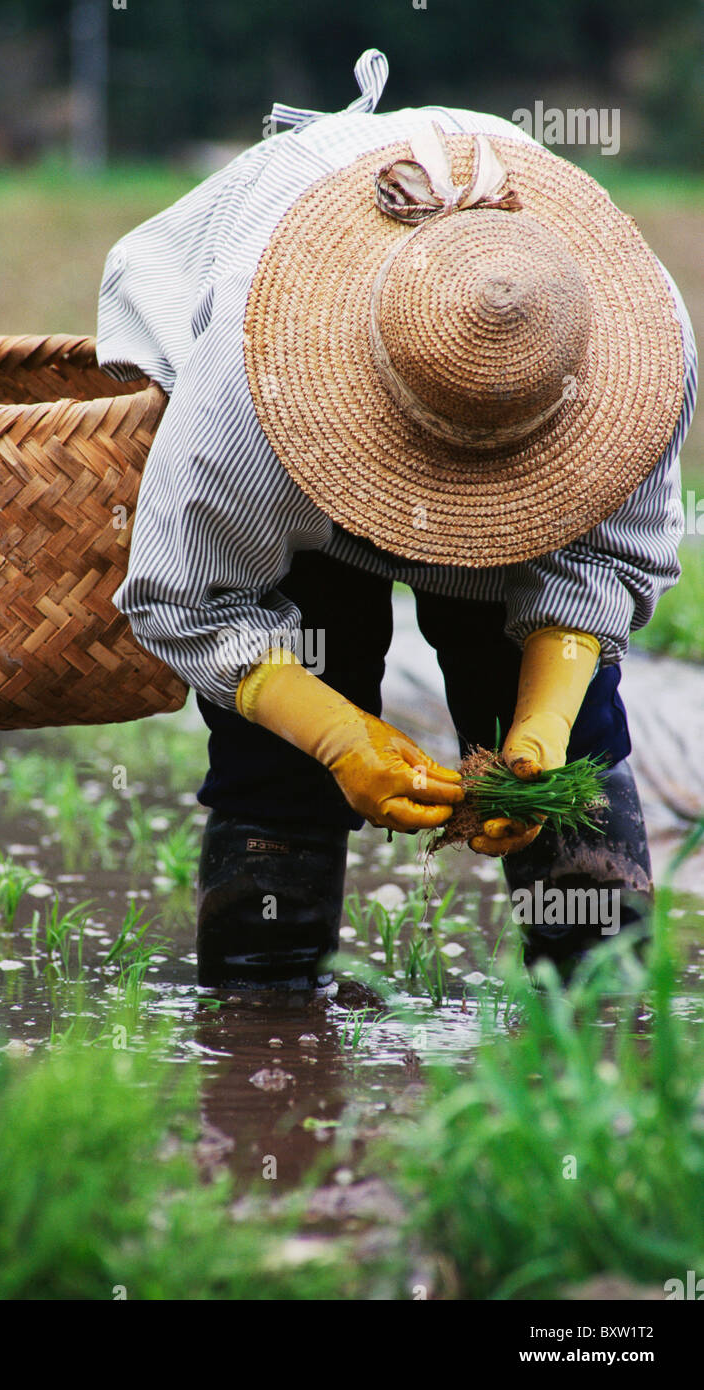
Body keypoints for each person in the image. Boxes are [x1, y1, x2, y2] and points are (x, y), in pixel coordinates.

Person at [97, 50, 697, 989]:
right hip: (303, 481)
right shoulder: (248, 399)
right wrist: (337, 736)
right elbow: (188, 600)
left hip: (512, 425)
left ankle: (598, 1020)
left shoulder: (634, 352)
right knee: (283, 753)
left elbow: (602, 565)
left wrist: (537, 729)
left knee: (572, 765)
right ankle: (267, 1012)